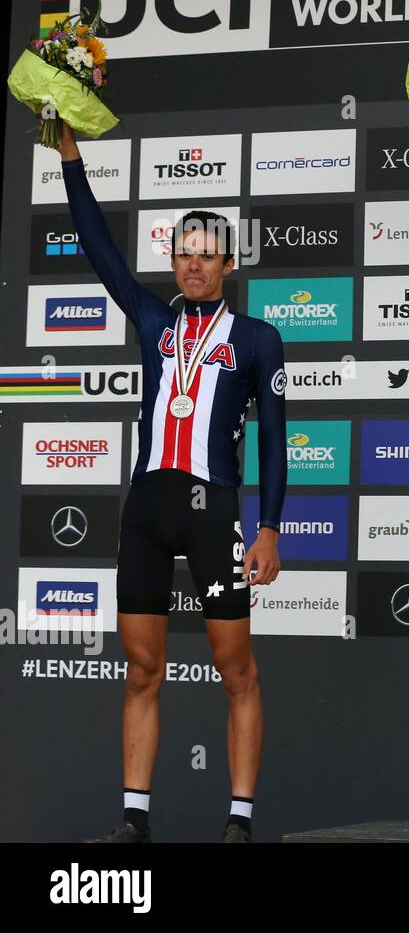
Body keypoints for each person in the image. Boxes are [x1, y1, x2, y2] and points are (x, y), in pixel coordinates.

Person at [56, 120, 288, 843]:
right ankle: (133, 817)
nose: (193, 265)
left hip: (213, 507)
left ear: (226, 263)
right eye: (183, 252)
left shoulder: (255, 338)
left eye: (205, 254)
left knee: (235, 667)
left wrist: (271, 525)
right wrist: (70, 157)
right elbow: (98, 247)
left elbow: (277, 440)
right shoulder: (151, 317)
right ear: (174, 259)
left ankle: (240, 819)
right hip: (147, 507)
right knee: (142, 668)